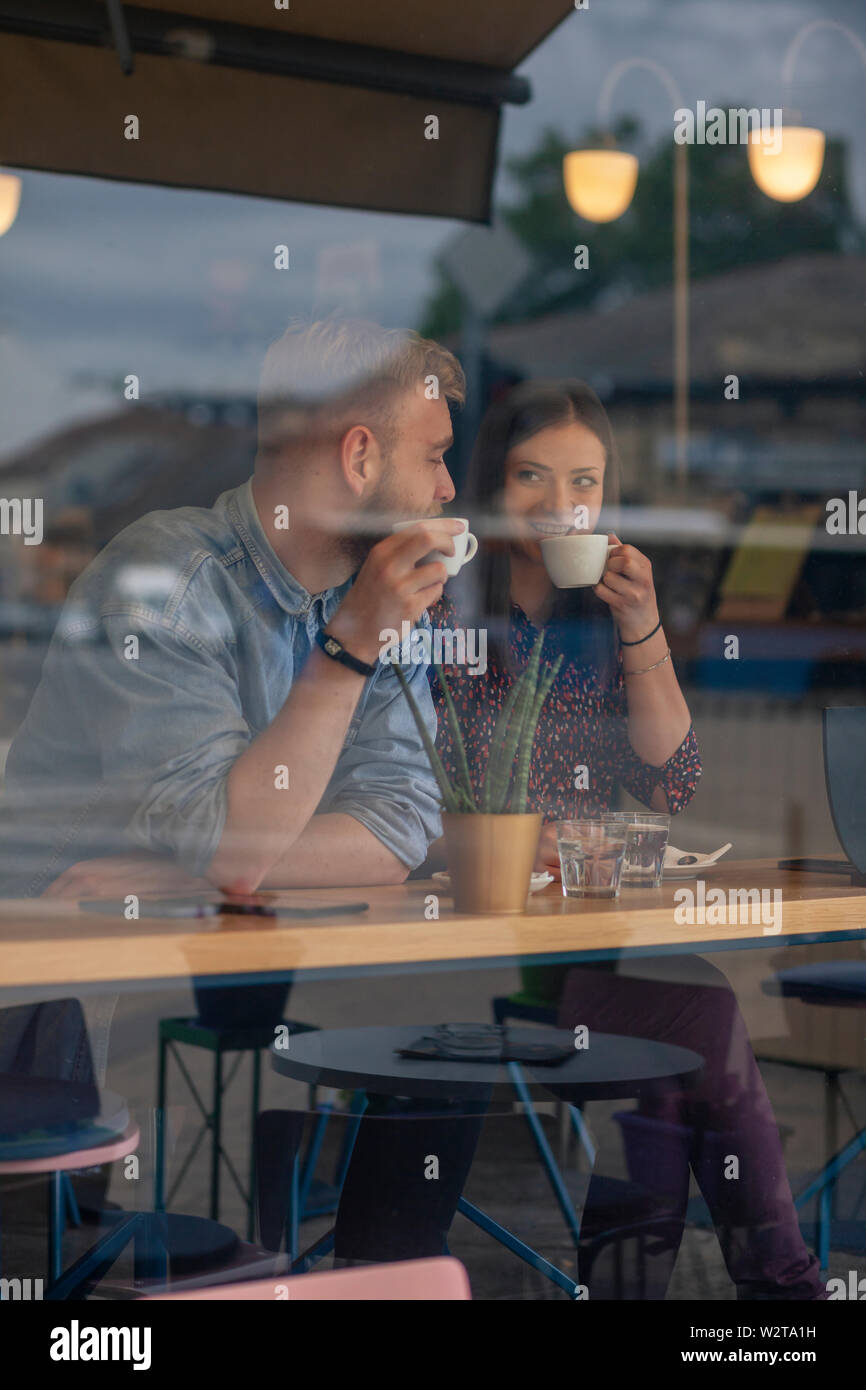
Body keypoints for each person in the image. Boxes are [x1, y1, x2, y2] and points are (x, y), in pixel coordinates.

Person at [335, 379, 825, 1300]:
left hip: (578, 941)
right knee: (702, 1019)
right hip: (462, 949)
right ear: (488, 483)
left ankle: (638, 1285)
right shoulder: (439, 606)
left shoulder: (600, 616)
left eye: (585, 483)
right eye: (531, 477)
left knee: (686, 1030)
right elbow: (391, 788)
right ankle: (772, 1294)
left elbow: (670, 780)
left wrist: (643, 626)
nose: (561, 506)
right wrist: (504, 842)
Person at [0, 318, 466, 1029]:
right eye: (433, 457)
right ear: (361, 457)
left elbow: (396, 827)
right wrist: (350, 649)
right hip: (47, 992)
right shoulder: (165, 580)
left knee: (415, 1063)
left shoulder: (374, 594)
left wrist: (180, 880)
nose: (448, 487)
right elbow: (228, 844)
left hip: (195, 965)